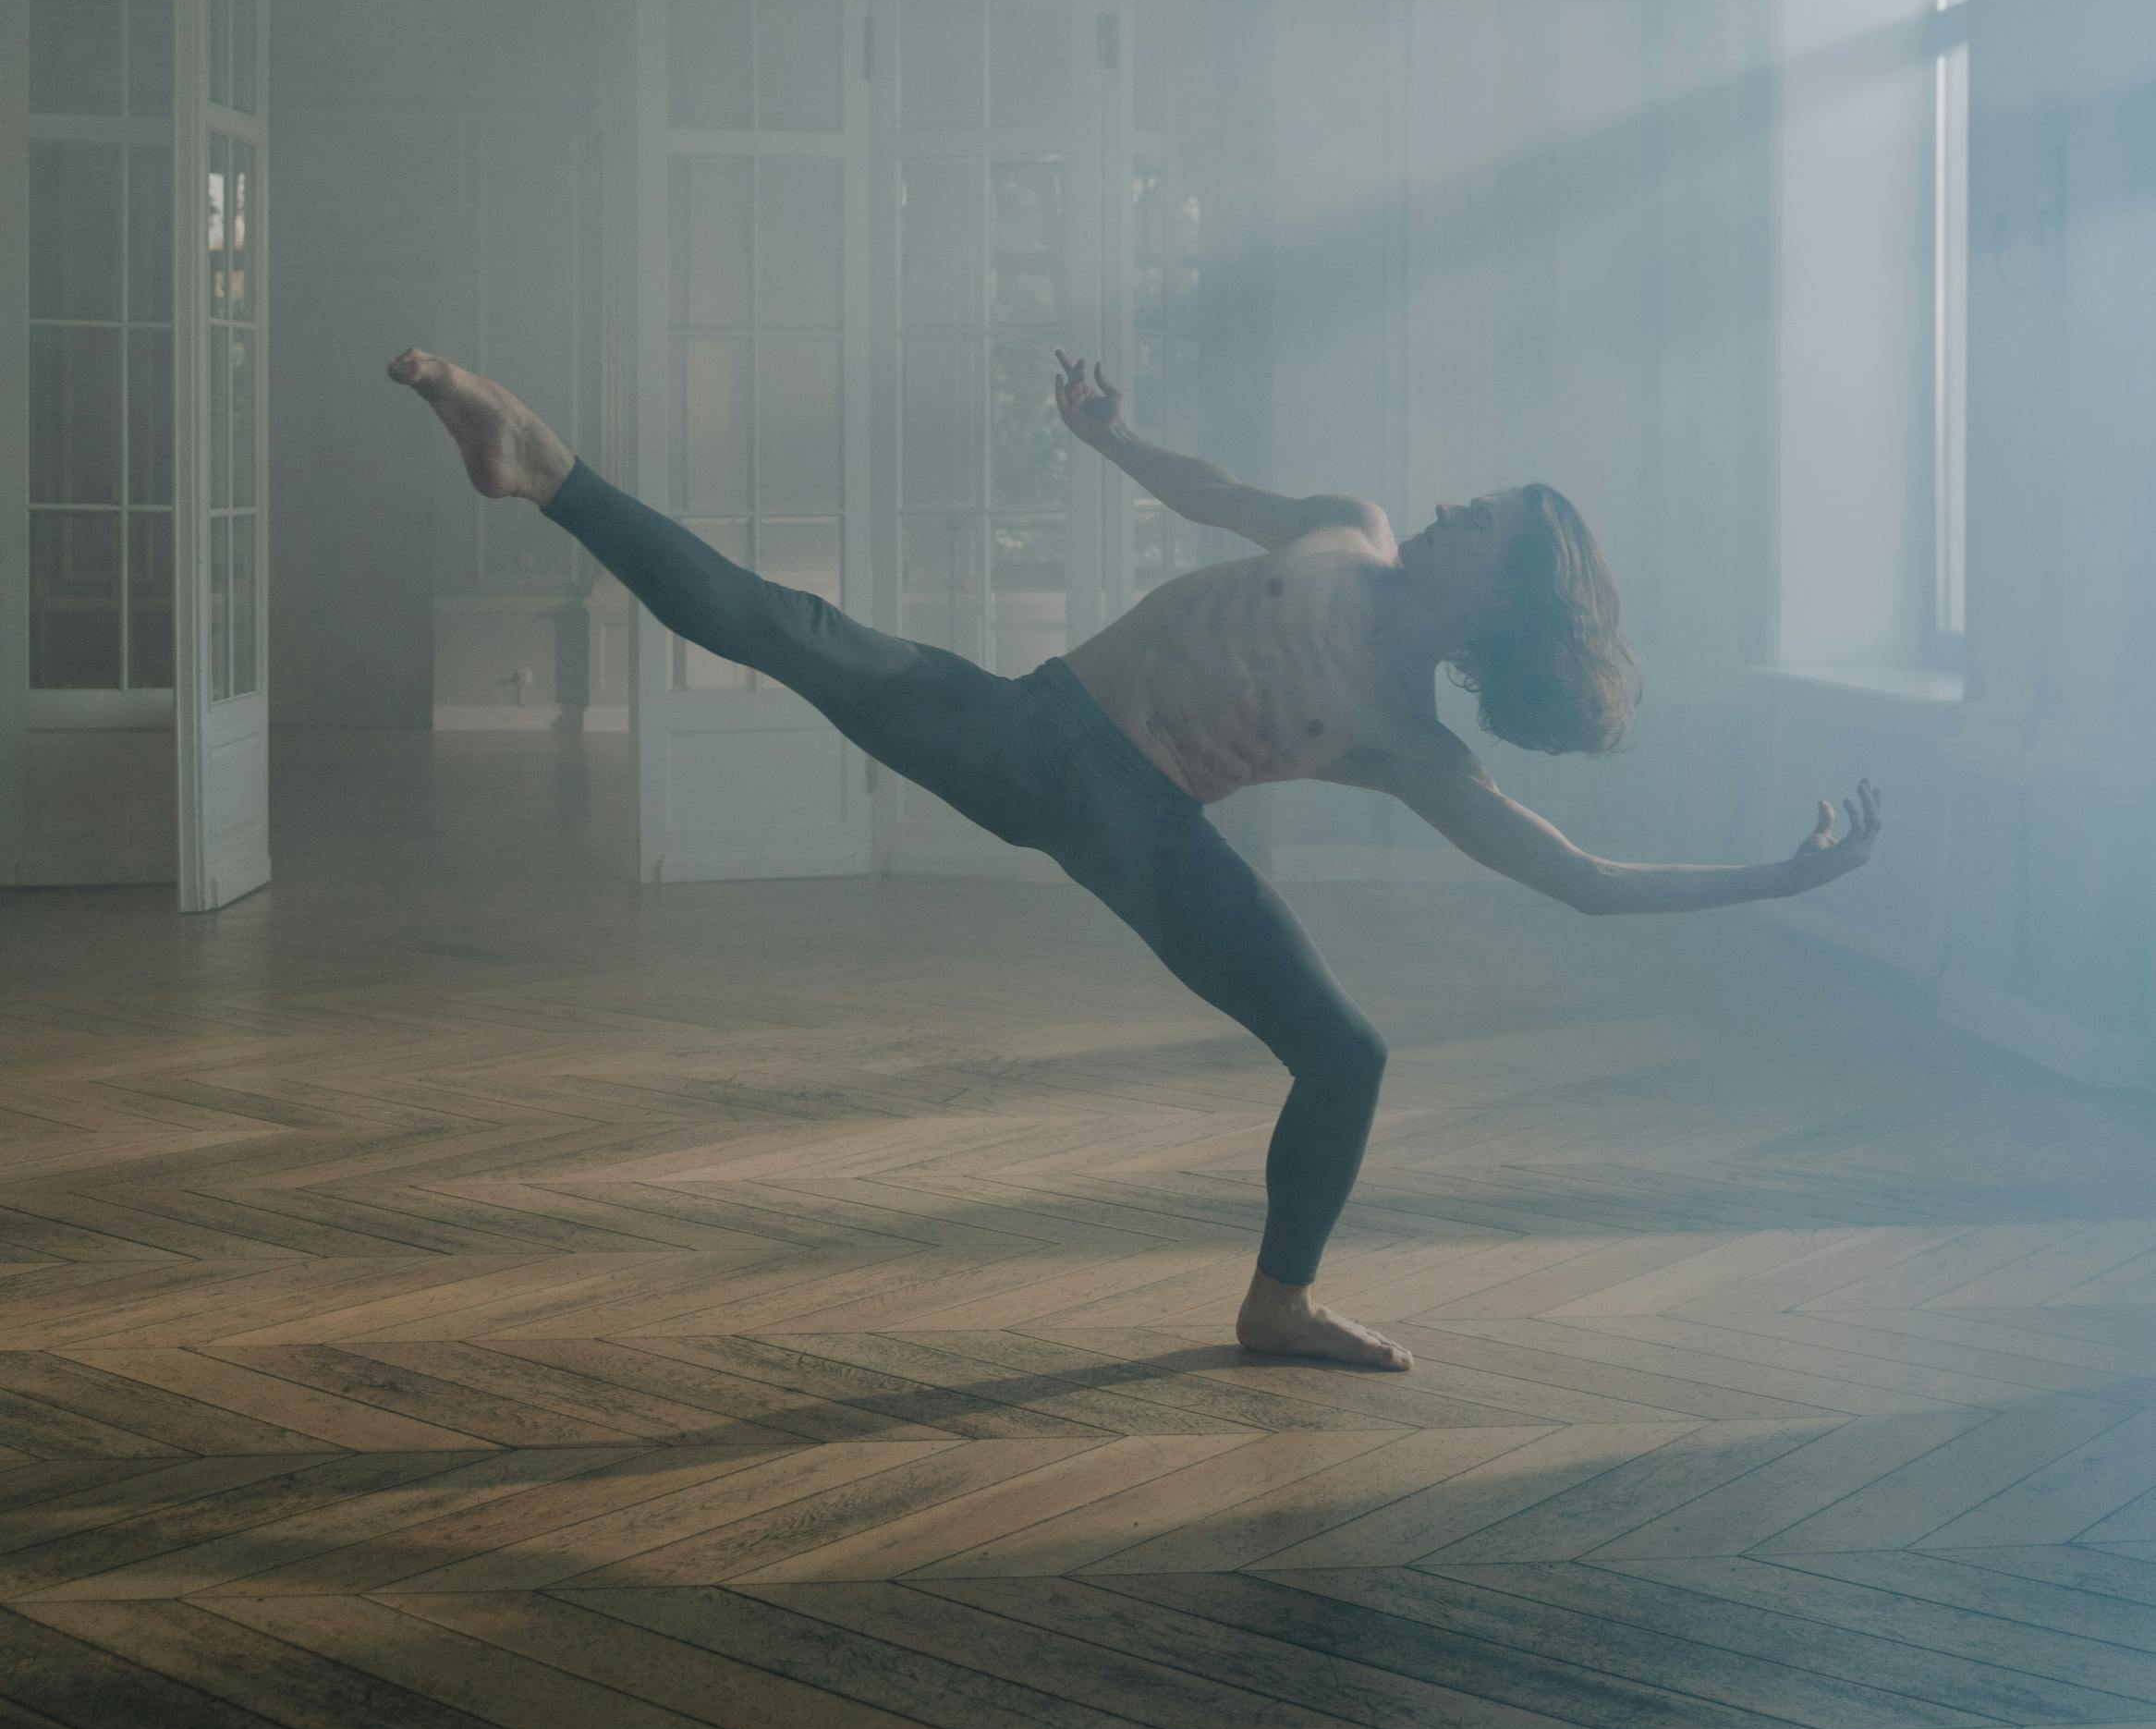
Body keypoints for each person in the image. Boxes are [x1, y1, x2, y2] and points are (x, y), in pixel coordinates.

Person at [389, 346, 1881, 1374]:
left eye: (1471, 520)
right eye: (1455, 502)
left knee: (1344, 1056)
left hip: (1146, 835)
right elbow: (1210, 489)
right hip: (1035, 739)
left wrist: (1774, 881)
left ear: (1499, 589)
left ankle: (1278, 1305)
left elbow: (1582, 879)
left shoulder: (1406, 741)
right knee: (793, 630)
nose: (1438, 508)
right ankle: (540, 467)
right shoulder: (1342, 530)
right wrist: (1107, 435)